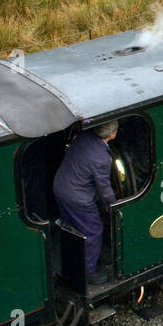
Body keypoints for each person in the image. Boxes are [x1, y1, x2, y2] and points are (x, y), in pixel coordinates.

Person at [53, 120, 119, 280]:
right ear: (112, 134)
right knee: (93, 231)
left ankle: (72, 260)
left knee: (70, 227)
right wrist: (115, 206)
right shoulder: (101, 158)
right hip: (78, 198)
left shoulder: (83, 136)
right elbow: (105, 190)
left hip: (61, 187)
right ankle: (88, 272)